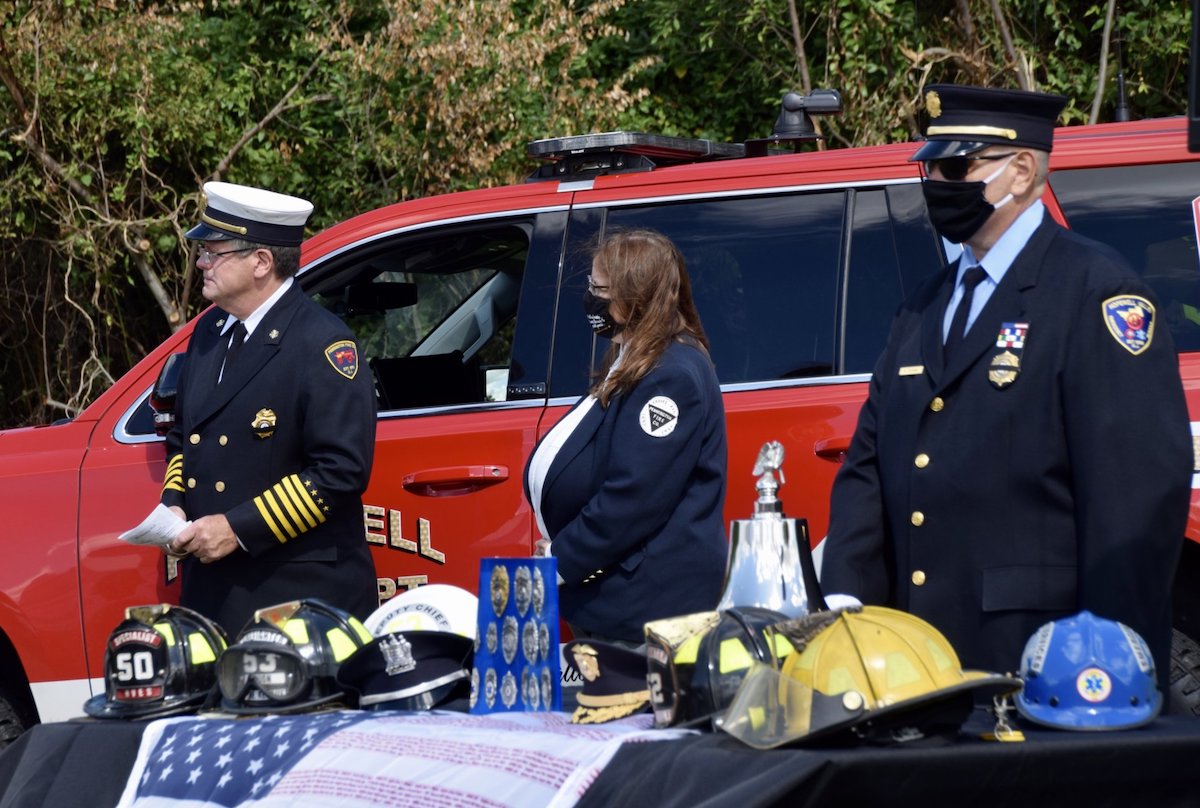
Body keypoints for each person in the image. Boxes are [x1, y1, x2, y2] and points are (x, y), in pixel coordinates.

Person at [819, 85, 1191, 690]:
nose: (935, 181)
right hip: (919, 661)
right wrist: (846, 603)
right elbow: (868, 464)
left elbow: (1135, 493)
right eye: (930, 167)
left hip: (1044, 655)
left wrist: (1108, 655)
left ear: (1020, 171)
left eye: (956, 167)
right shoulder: (924, 307)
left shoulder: (1092, 290)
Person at [161, 181, 378, 636]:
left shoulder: (322, 343)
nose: (201, 262)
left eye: (214, 252)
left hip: (297, 596)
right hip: (213, 591)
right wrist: (174, 506)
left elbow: (340, 470)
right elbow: (184, 435)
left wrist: (236, 528)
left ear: (260, 262)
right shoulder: (209, 332)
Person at [523, 229, 728, 646]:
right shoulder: (635, 355)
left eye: (600, 289)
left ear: (635, 297)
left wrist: (559, 561)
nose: (591, 300)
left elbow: (632, 497)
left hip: (649, 608)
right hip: (620, 597)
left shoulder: (670, 376)